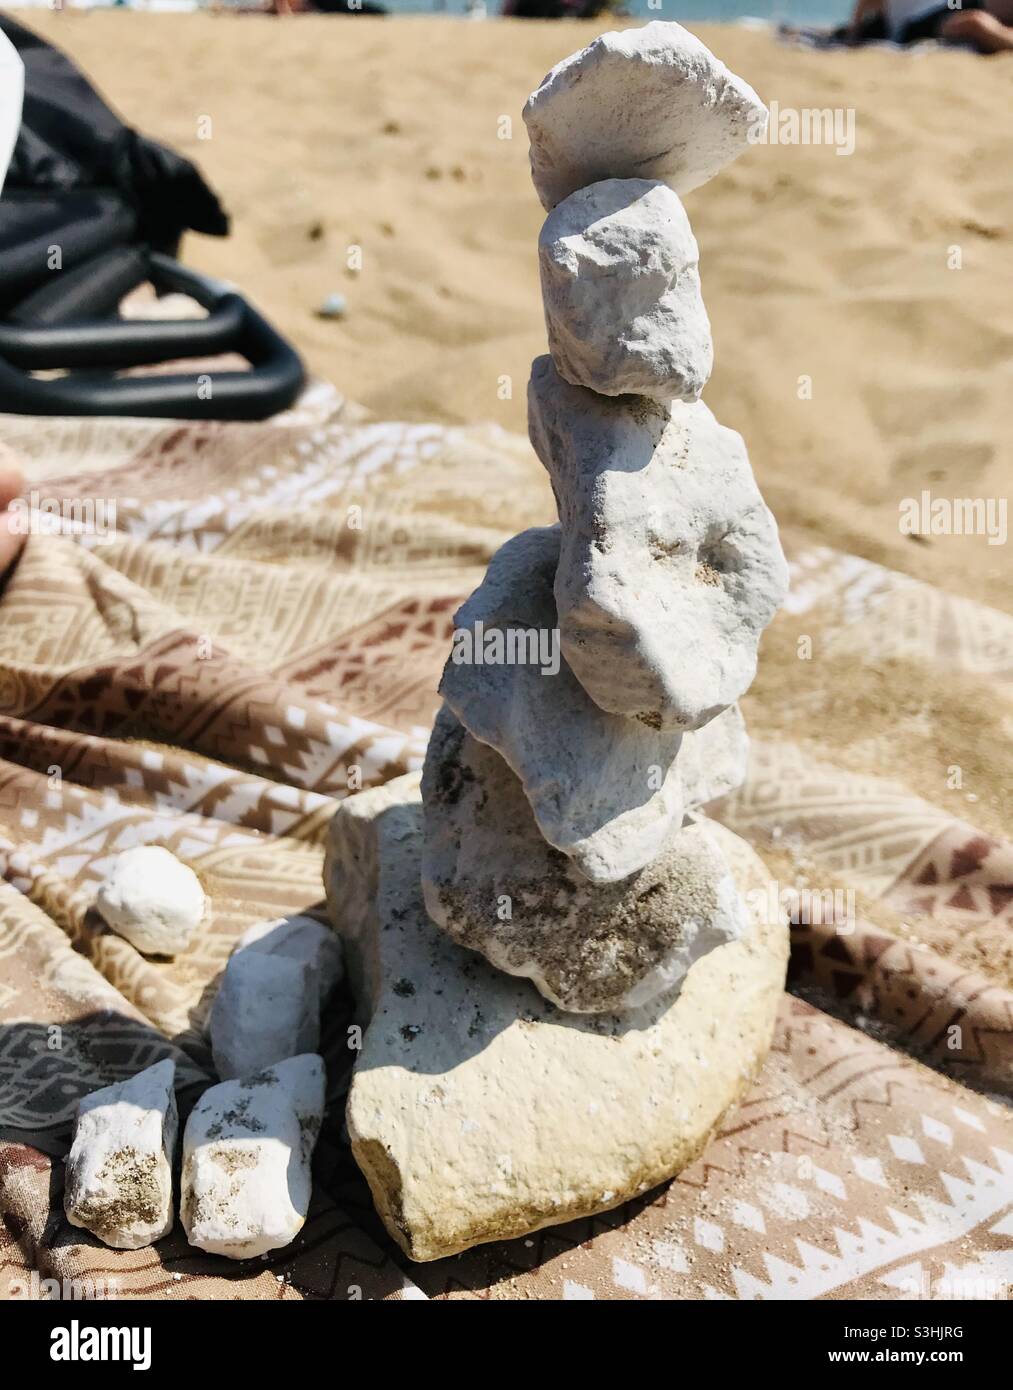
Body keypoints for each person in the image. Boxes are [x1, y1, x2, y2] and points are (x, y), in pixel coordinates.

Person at [848, 0, 1013, 49]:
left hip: (953, 4)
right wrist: (853, 34)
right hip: (921, 21)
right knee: (975, 22)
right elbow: (867, 4)